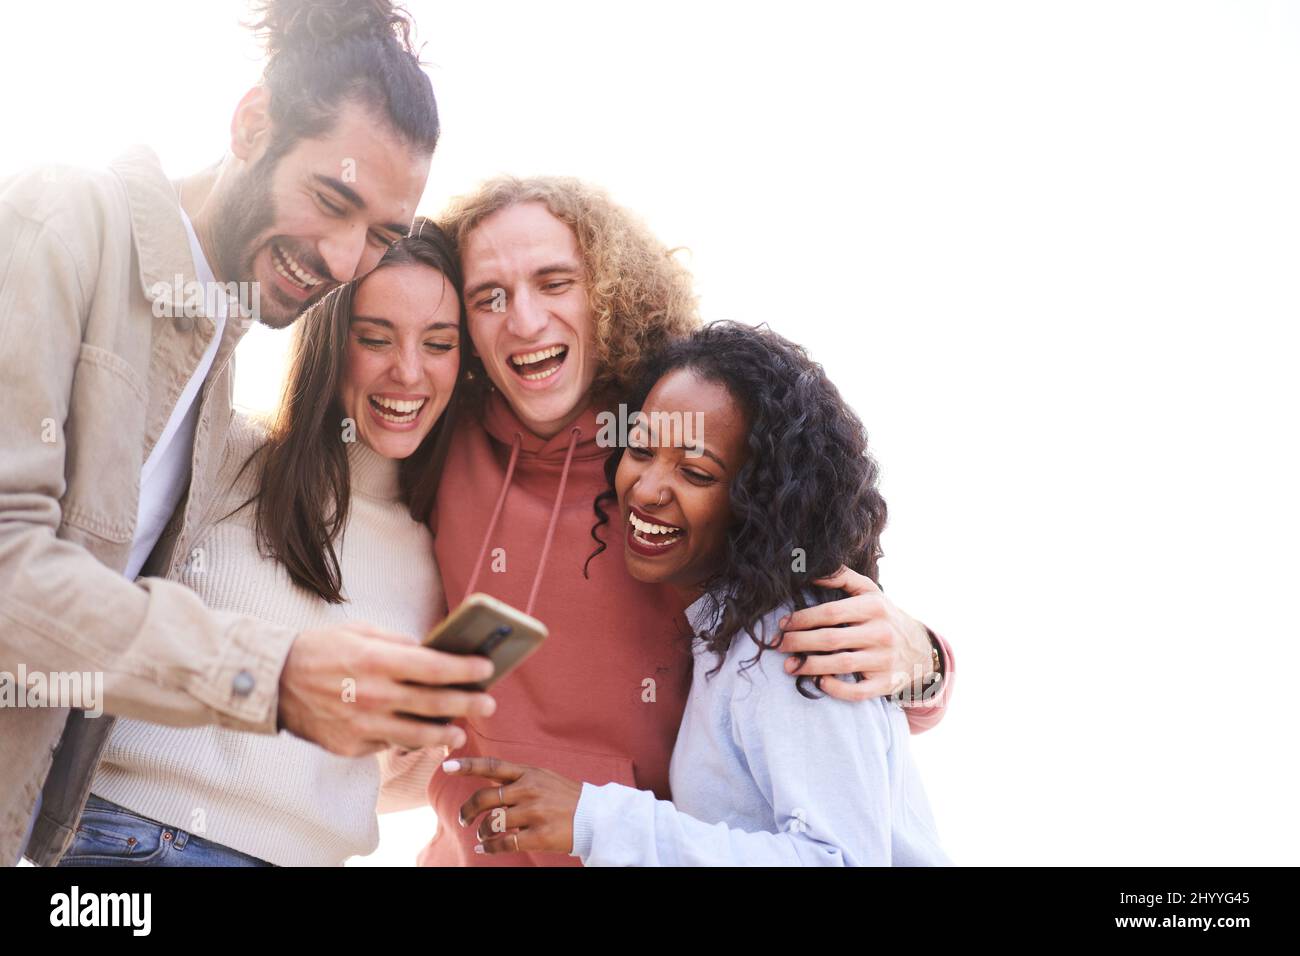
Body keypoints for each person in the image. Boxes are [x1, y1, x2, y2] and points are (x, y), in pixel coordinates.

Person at [0, 0, 472, 868]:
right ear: (253, 123)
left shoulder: (214, 355)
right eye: (331, 200)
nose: (341, 261)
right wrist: (277, 678)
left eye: (379, 235)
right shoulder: (61, 218)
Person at [403, 177, 955, 866]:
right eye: (490, 296)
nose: (523, 320)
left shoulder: (689, 417)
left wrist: (925, 663)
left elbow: (822, 653)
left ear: (607, 293)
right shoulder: (433, 444)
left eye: (554, 283)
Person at [55, 222, 496, 867]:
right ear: (329, 346)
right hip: (130, 836)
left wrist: (413, 743)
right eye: (374, 339)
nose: (408, 371)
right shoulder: (224, 454)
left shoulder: (440, 555)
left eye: (438, 344)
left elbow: (372, 787)